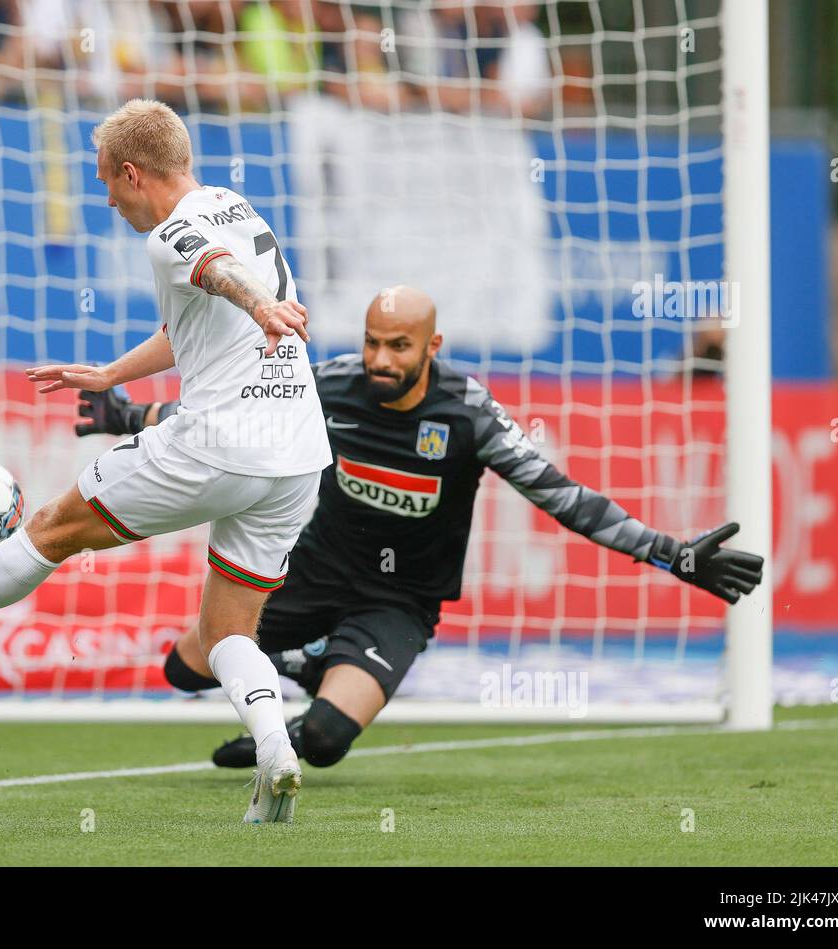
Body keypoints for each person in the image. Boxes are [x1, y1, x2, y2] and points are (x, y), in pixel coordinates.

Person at [0, 99, 332, 824]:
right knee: (228, 629)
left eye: (108, 182)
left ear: (134, 173)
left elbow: (217, 273)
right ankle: (274, 751)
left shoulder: (171, 235)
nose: (106, 197)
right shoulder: (233, 204)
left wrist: (260, 307)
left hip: (222, 441)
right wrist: (111, 375)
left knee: (54, 527)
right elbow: (197, 316)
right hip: (298, 455)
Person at [76, 285, 765, 769]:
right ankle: (307, 663)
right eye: (374, 342)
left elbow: (564, 497)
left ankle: (326, 674)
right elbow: (228, 418)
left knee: (321, 742)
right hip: (308, 574)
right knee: (181, 671)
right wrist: (129, 418)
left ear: (431, 345)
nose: (381, 359)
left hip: (397, 602)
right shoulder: (333, 384)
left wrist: (671, 554)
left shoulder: (470, 417)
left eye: (398, 347)